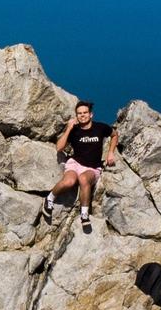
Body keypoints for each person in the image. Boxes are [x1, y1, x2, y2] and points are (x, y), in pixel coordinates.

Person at [49, 100, 117, 233]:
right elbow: (59, 147)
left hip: (92, 167)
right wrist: (69, 128)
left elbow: (114, 135)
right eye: (79, 113)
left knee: (84, 179)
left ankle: (84, 214)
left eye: (85, 112)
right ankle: (50, 198)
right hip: (75, 163)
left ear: (91, 114)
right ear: (76, 116)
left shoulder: (100, 128)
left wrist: (110, 152)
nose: (82, 115)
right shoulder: (74, 130)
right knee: (69, 181)